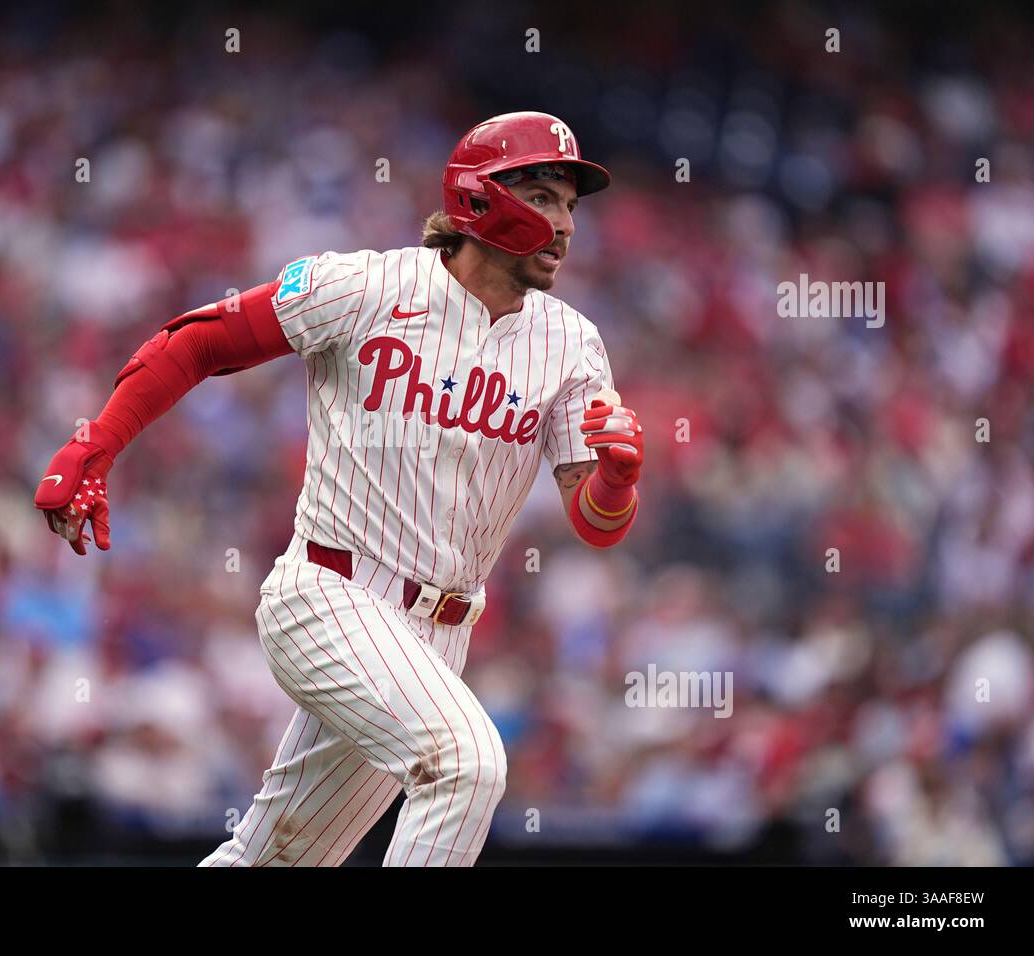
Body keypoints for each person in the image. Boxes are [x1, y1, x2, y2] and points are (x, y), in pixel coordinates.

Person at [34, 112, 645, 866]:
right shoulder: (364, 286)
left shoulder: (572, 342)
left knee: (277, 860)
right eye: (547, 197)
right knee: (469, 764)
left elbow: (596, 522)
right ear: (480, 201)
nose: (565, 225)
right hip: (329, 596)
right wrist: (99, 440)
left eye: (571, 207)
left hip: (437, 636)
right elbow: (202, 340)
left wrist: (615, 480)